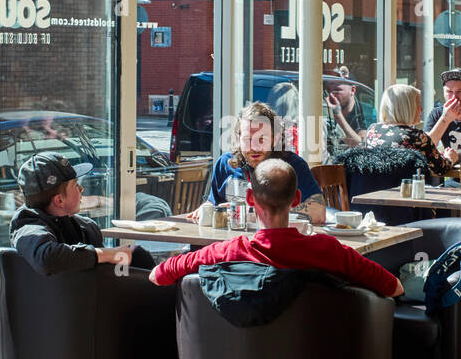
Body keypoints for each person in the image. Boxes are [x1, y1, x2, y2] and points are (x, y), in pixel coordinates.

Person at [151, 158, 402, 297]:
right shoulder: (329, 251)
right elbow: (394, 287)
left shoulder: (226, 252)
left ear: (250, 199)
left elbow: (158, 275)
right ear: (296, 200)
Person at [8, 153, 151, 275]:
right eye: (75, 185)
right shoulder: (27, 227)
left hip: (91, 298)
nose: (81, 189)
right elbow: (47, 258)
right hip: (60, 305)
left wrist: (120, 261)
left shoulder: (86, 227)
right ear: (59, 200)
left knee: (137, 255)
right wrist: (109, 253)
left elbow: (105, 274)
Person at [195, 101, 327, 224]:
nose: (254, 147)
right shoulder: (225, 163)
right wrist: (205, 208)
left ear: (275, 139)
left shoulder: (292, 165)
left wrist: (255, 212)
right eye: (247, 139)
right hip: (230, 243)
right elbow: (212, 203)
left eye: (261, 139)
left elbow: (319, 212)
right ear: (238, 138)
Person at [363, 84, 457, 180]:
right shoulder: (417, 137)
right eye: (418, 105)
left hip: (375, 191)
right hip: (406, 190)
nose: (421, 109)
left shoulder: (372, 130)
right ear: (407, 108)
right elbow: (440, 169)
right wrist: (449, 158)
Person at [324, 75, 376, 160]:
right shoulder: (324, 110)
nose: (331, 95)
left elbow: (361, 145)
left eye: (337, 90)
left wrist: (338, 114)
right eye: (328, 90)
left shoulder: (368, 112)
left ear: (352, 90)